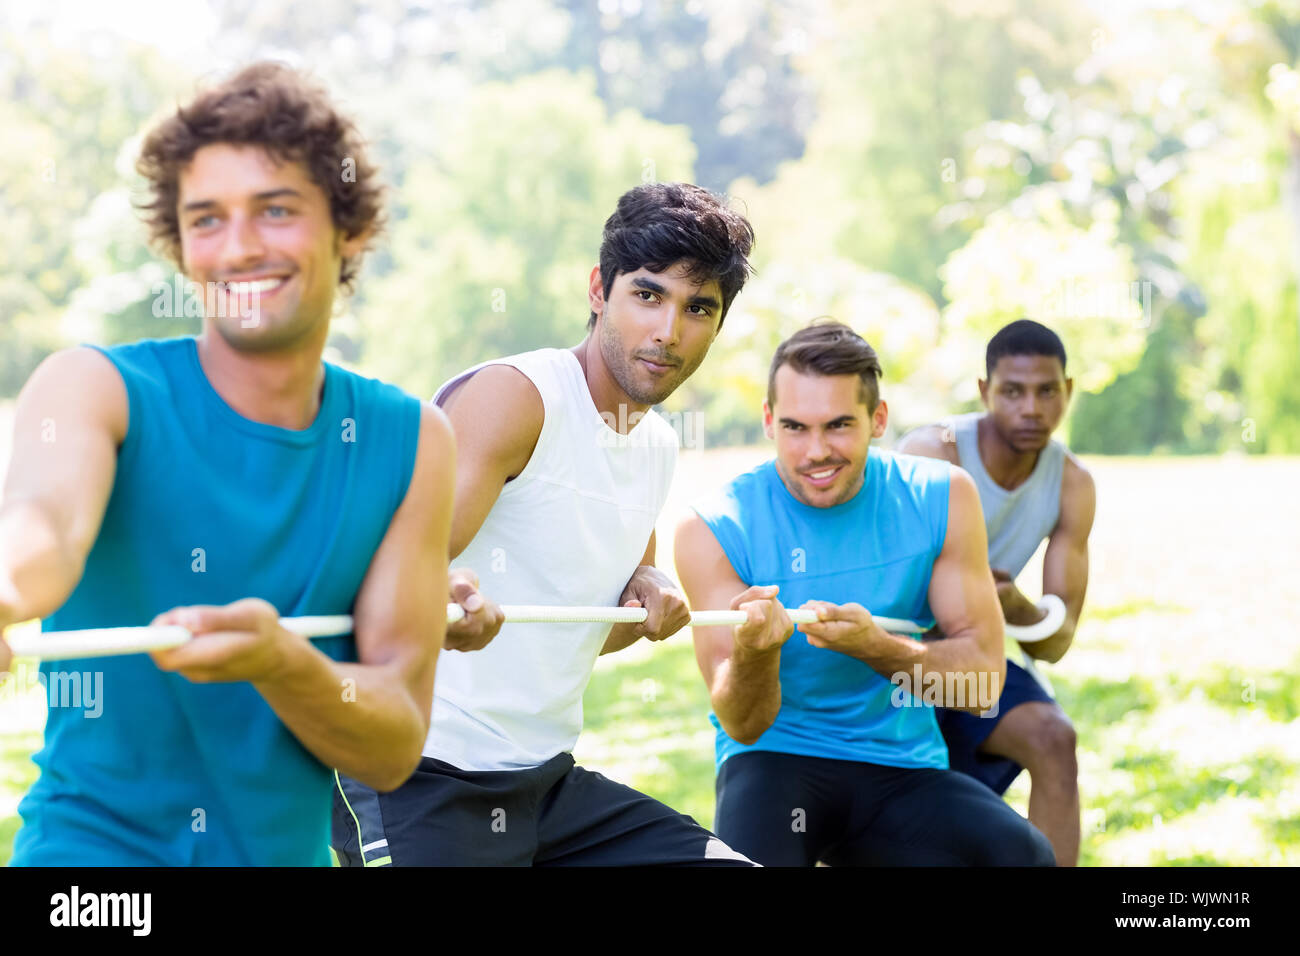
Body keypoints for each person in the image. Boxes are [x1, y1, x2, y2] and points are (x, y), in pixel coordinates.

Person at [0, 62, 457, 866]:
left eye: (275, 210)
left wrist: (284, 664)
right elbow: (42, 531)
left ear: (346, 229)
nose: (239, 247)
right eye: (206, 219)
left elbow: (390, 745)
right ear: (180, 245)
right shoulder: (96, 387)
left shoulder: (412, 440)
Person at [332, 182, 760, 866]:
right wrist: (438, 598)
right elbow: (379, 578)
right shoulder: (517, 398)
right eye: (647, 295)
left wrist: (644, 596)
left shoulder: (654, 446)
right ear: (599, 289)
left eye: (698, 307)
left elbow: (591, 632)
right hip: (416, 773)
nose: (668, 331)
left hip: (545, 785)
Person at [675, 320, 1056, 866]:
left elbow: (980, 684)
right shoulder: (712, 526)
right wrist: (757, 650)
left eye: (838, 426)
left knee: (1022, 856)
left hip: (900, 765)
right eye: (795, 428)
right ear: (767, 420)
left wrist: (875, 647)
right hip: (776, 760)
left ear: (878, 420)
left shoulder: (941, 495)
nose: (816, 452)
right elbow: (744, 722)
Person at [895, 318, 1095, 866]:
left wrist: (1012, 603)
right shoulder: (934, 453)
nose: (1032, 408)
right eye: (1013, 391)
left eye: (1047, 390)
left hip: (971, 663)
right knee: (876, 805)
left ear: (1068, 392)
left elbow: (1053, 643)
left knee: (1054, 738)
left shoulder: (1071, 482)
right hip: (888, 662)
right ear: (985, 392)